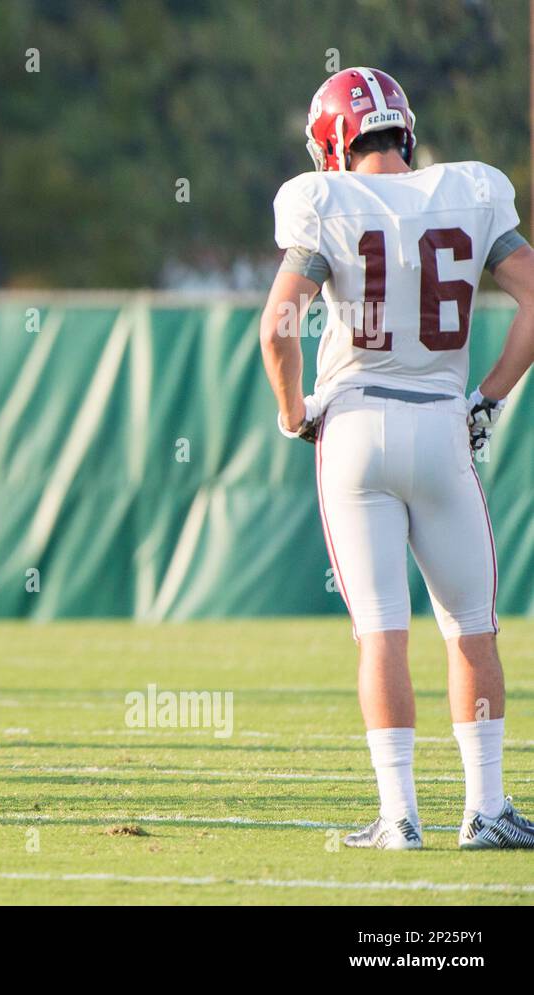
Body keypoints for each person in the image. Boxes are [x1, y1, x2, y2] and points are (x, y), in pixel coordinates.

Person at [261, 67, 534, 849]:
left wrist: (292, 415)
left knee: (382, 632)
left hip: (354, 431)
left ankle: (400, 816)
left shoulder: (325, 200)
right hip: (444, 429)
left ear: (332, 144)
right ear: (405, 132)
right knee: (473, 629)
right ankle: (486, 810)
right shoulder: (472, 189)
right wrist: (491, 395)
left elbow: (278, 327)